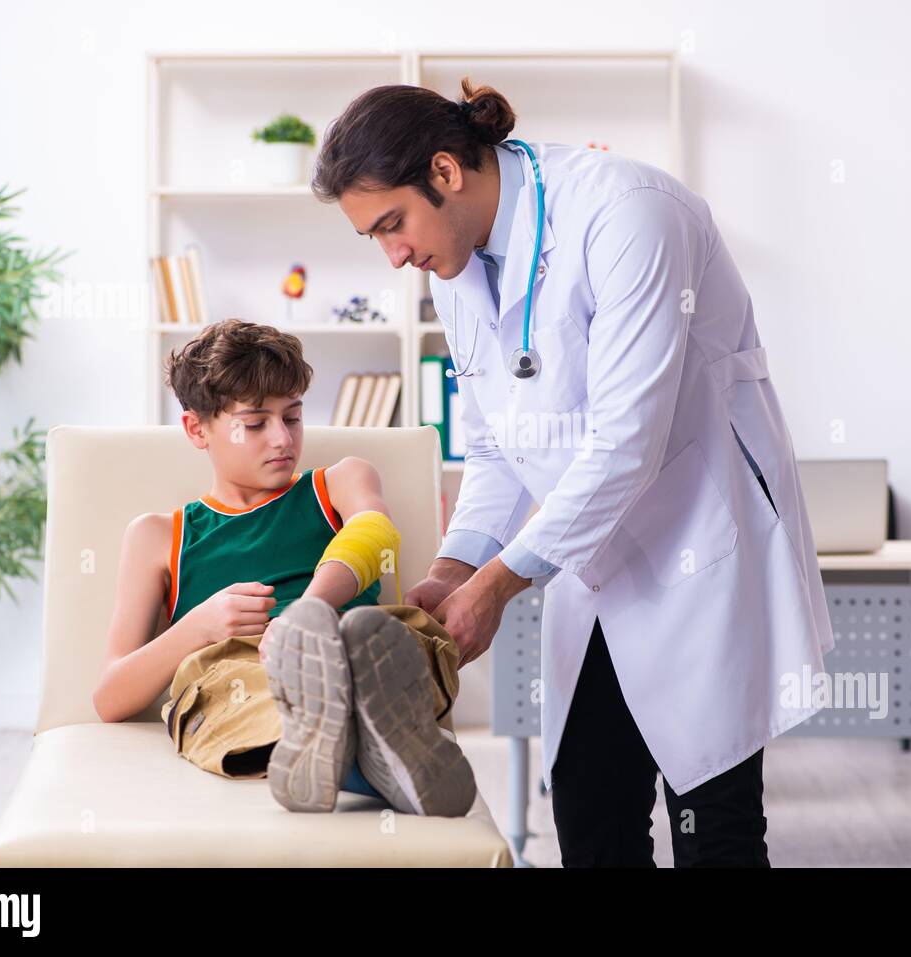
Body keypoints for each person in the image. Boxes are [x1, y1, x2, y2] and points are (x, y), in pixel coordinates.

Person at [313, 79, 837, 865]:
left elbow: (628, 440)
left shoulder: (628, 212)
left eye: (393, 224)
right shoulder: (452, 264)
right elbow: (495, 441)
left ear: (447, 172)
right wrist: (457, 563)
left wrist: (496, 584)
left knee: (714, 830)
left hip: (698, 539)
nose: (395, 255)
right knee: (591, 816)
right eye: (374, 239)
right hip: (585, 558)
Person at [91, 319, 475, 818]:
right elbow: (109, 698)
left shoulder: (339, 481)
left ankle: (338, 746)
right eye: (254, 423)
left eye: (292, 417)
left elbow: (375, 533)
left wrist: (308, 612)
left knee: (404, 632)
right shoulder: (159, 536)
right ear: (195, 428)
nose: (281, 439)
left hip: (350, 643)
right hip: (245, 675)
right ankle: (367, 756)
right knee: (233, 690)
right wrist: (197, 627)